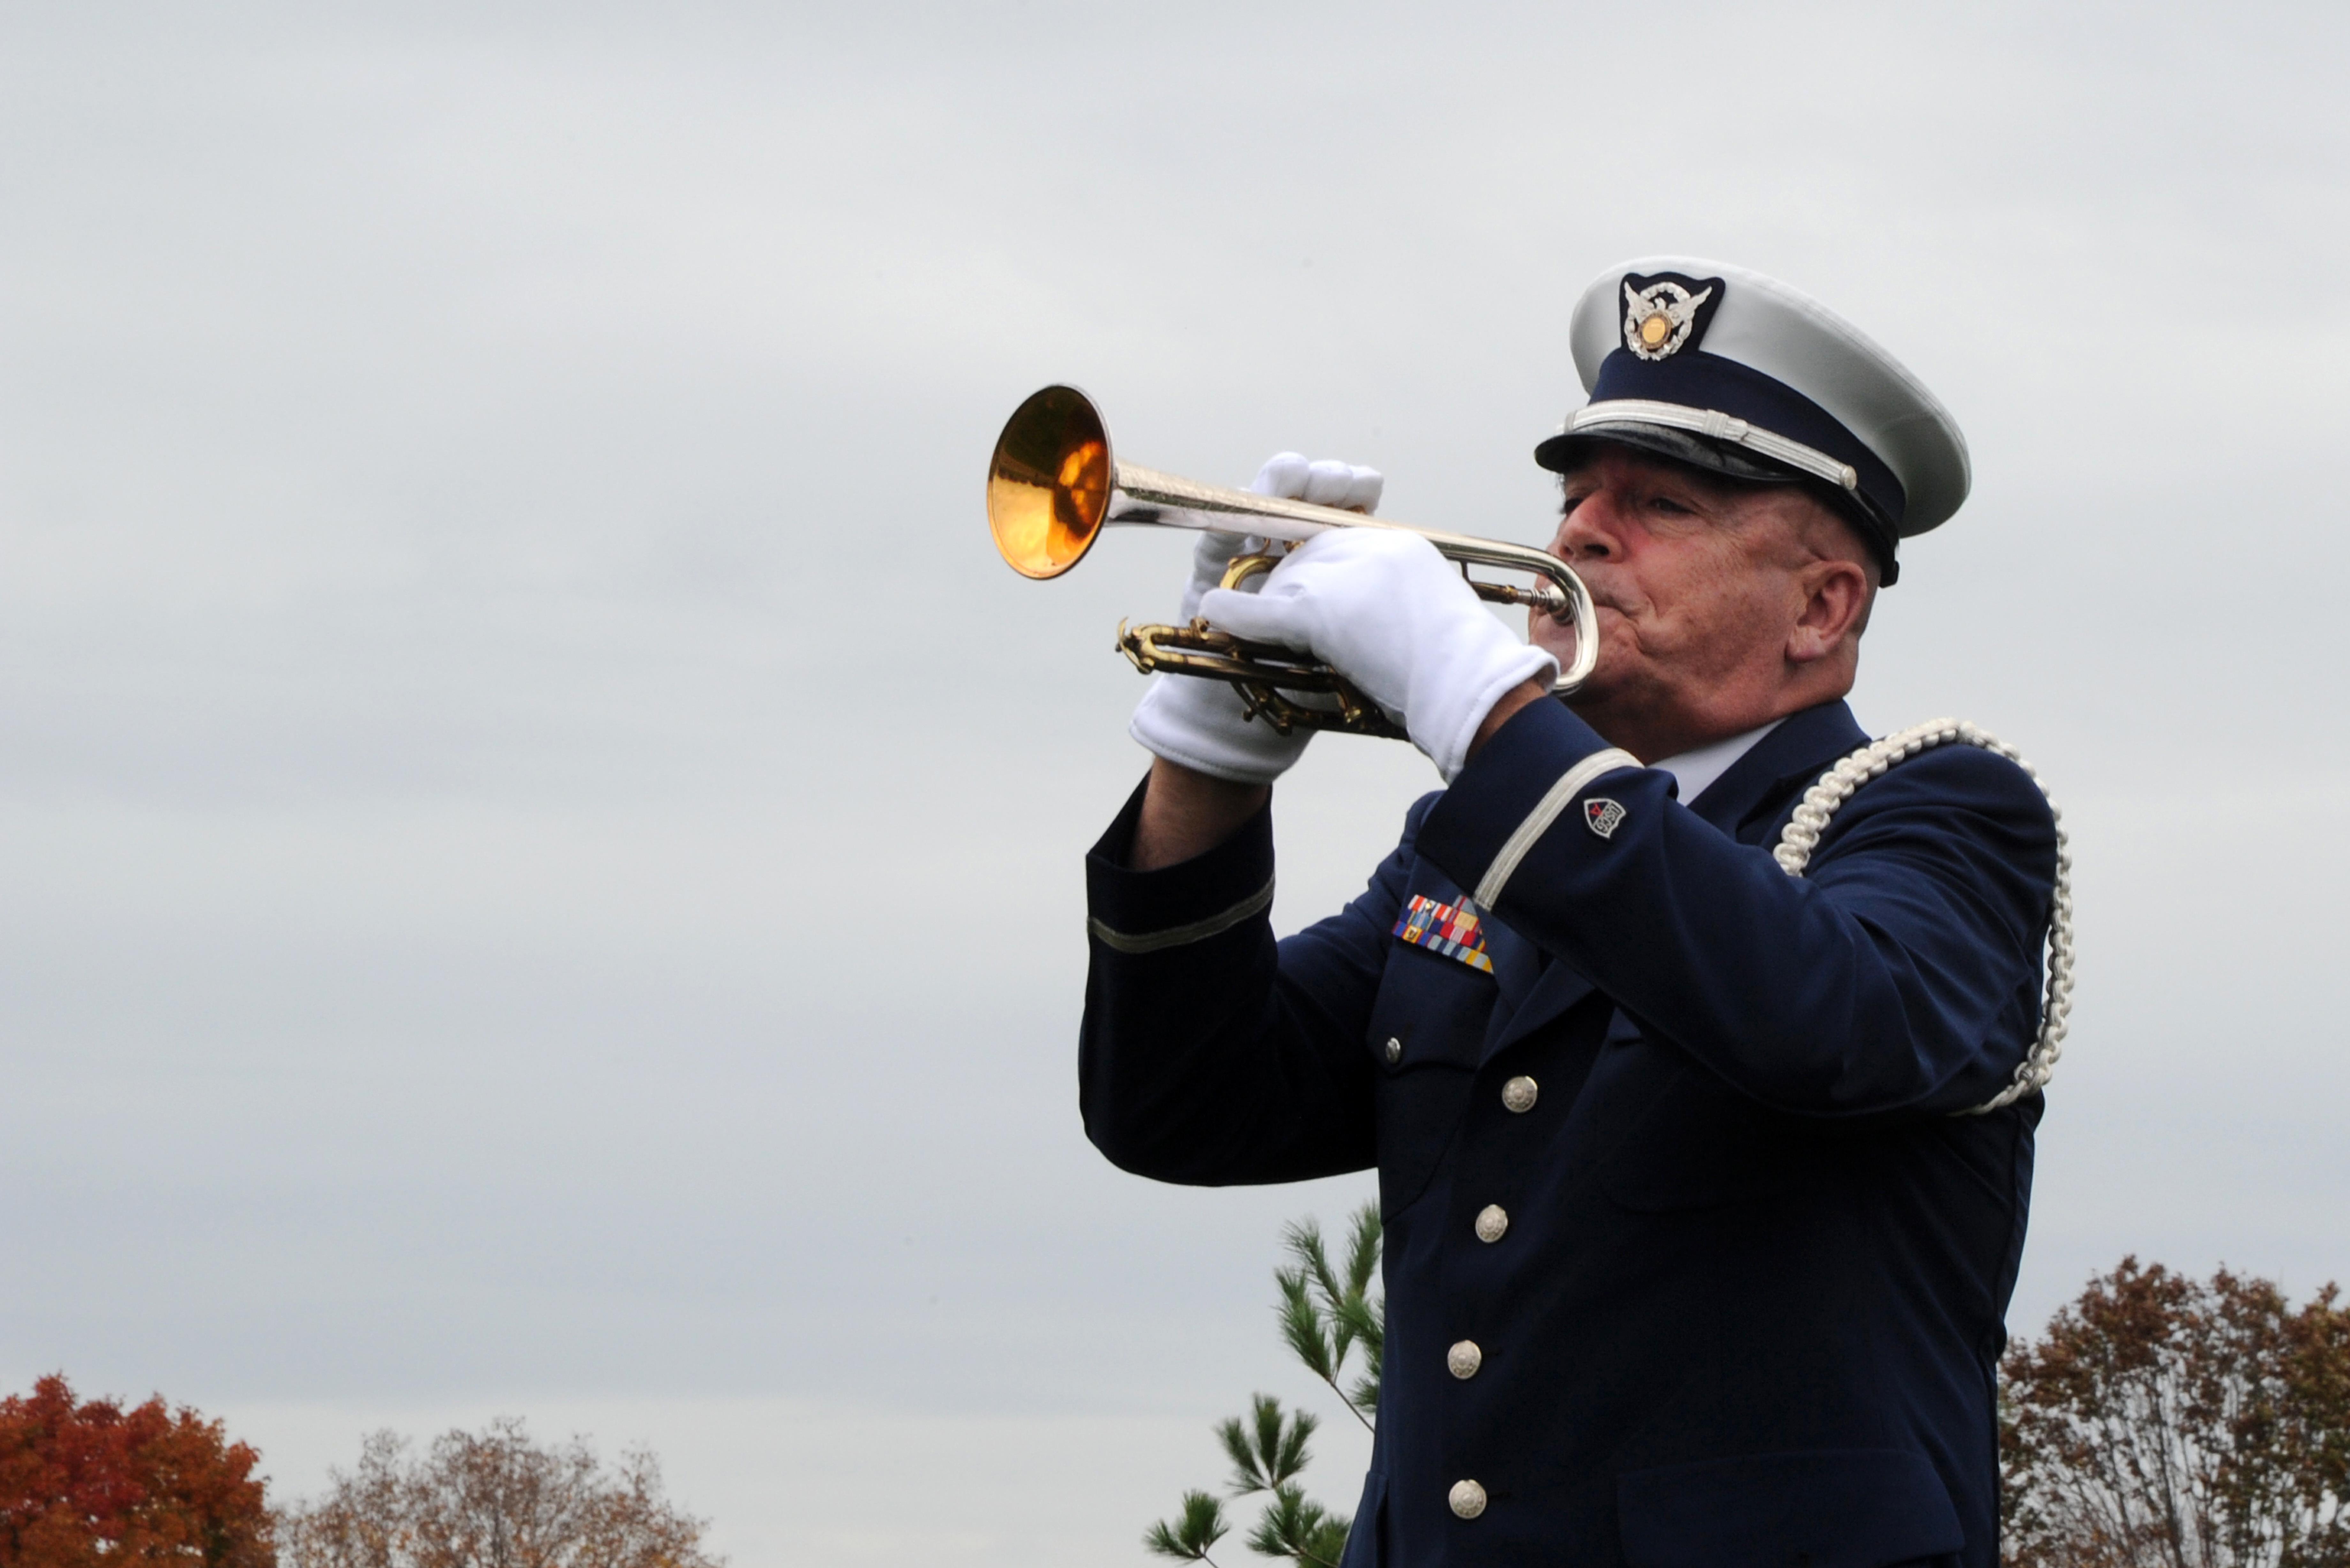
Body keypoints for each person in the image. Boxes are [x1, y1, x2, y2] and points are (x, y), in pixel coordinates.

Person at [1076, 258, 2063, 1567]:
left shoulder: (1937, 813)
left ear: (1822, 607)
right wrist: (1206, 763)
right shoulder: (1474, 853)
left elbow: (1830, 1017)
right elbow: (1183, 1105)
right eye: (1573, 495)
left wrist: (1484, 710)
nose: (1581, 534)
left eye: (1658, 503)